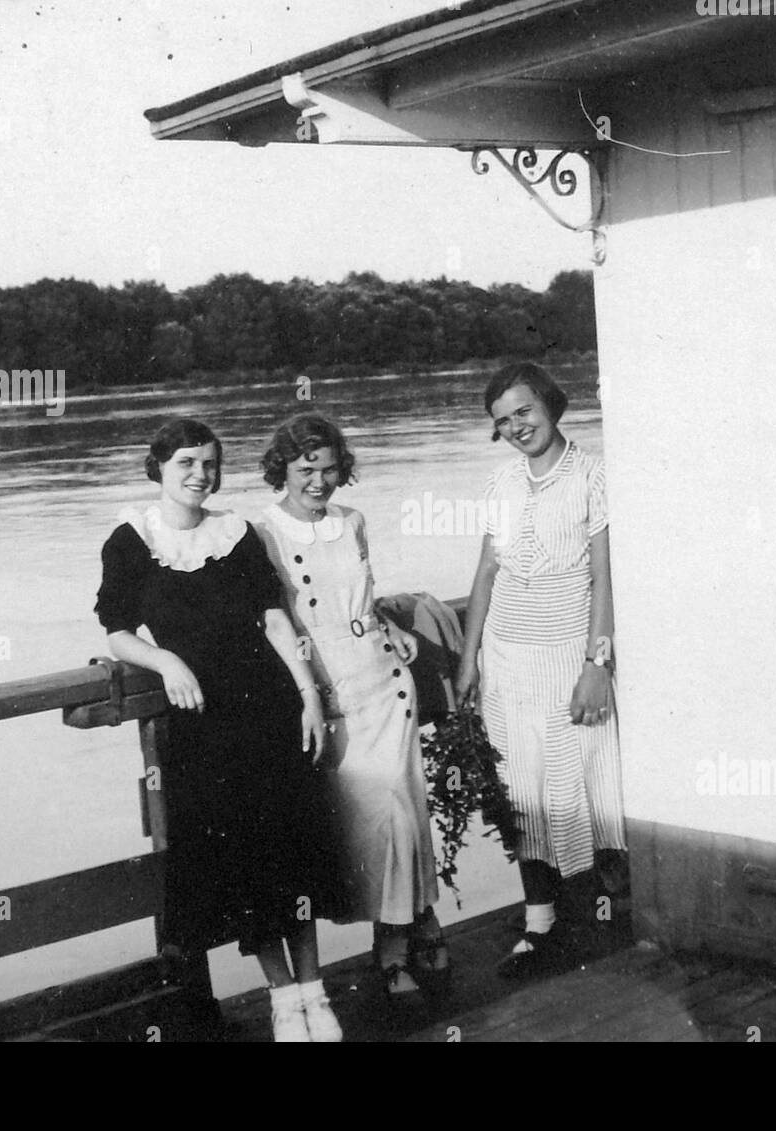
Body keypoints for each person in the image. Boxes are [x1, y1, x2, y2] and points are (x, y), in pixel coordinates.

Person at [94, 417, 343, 1042]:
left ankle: (316, 992)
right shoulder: (130, 540)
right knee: (240, 859)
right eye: (185, 463)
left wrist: (310, 695)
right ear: (158, 468)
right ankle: (283, 999)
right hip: (203, 725)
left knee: (291, 845)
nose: (199, 474)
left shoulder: (236, 534)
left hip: (269, 709)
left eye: (208, 462)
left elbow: (275, 619)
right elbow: (117, 629)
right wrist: (164, 659)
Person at [254, 413, 448, 1000]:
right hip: (333, 688)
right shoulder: (263, 531)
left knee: (405, 812)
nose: (318, 479)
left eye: (329, 466)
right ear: (282, 469)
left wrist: (392, 622)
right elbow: (275, 621)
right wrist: (310, 690)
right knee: (371, 823)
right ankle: (410, 925)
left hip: (386, 678)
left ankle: (394, 949)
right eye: (305, 466)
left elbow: (363, 592)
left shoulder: (353, 520)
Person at [455, 362, 627, 978]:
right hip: (506, 662)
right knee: (521, 794)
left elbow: (604, 579)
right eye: (503, 421)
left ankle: (600, 918)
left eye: (523, 411)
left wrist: (596, 665)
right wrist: (468, 657)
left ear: (550, 405)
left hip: (566, 659)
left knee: (583, 785)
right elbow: (485, 574)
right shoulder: (501, 483)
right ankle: (539, 924)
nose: (516, 427)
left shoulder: (593, 476)